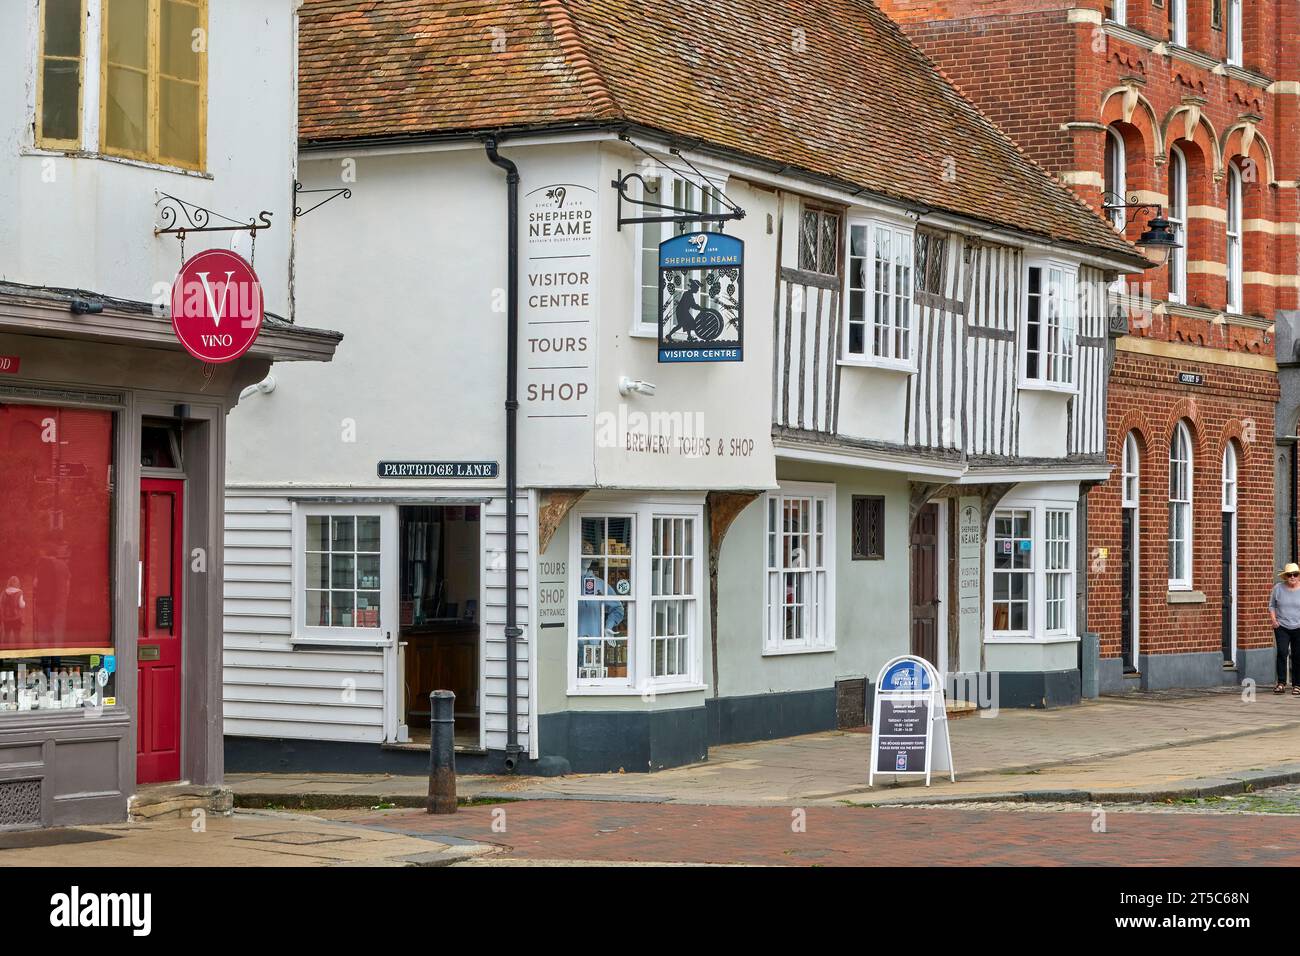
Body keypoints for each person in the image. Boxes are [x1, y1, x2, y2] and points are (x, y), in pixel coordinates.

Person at [1269, 563, 1300, 694]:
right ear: (1286, 577)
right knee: (1282, 652)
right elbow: (1272, 605)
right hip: (1282, 626)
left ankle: (1297, 685)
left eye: (1295, 574)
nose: (1292, 577)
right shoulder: (1278, 588)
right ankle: (1281, 683)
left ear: (1298, 576)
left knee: (1297, 655)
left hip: (1298, 626)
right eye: (1289, 575)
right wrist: (1274, 620)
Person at [1, 576, 25, 642]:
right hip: (17, 618)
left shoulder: (3, 592)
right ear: (17, 583)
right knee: (17, 636)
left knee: (6, 635)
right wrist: (24, 603)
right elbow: (21, 605)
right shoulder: (19, 592)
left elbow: (1, 604)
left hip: (6, 618)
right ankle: (18, 650)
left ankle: (5, 650)